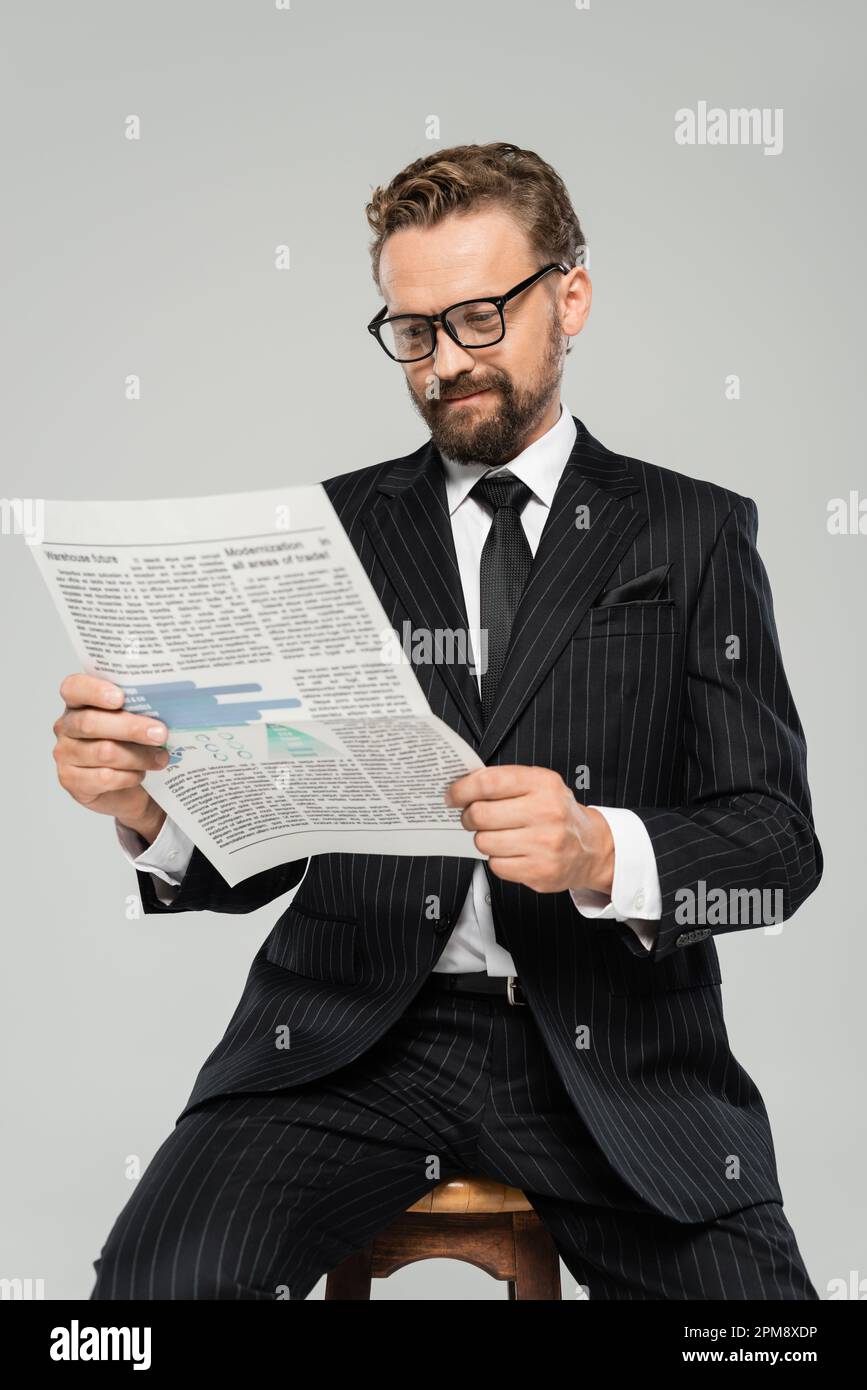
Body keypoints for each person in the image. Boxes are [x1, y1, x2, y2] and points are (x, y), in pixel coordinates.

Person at [52, 142, 821, 1300]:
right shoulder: (327, 530)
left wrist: (600, 847)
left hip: (615, 1056)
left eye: (477, 317)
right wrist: (146, 808)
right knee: (142, 1308)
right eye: (412, 331)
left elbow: (775, 845)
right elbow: (257, 845)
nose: (444, 363)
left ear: (571, 297)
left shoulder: (694, 531)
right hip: (347, 1043)